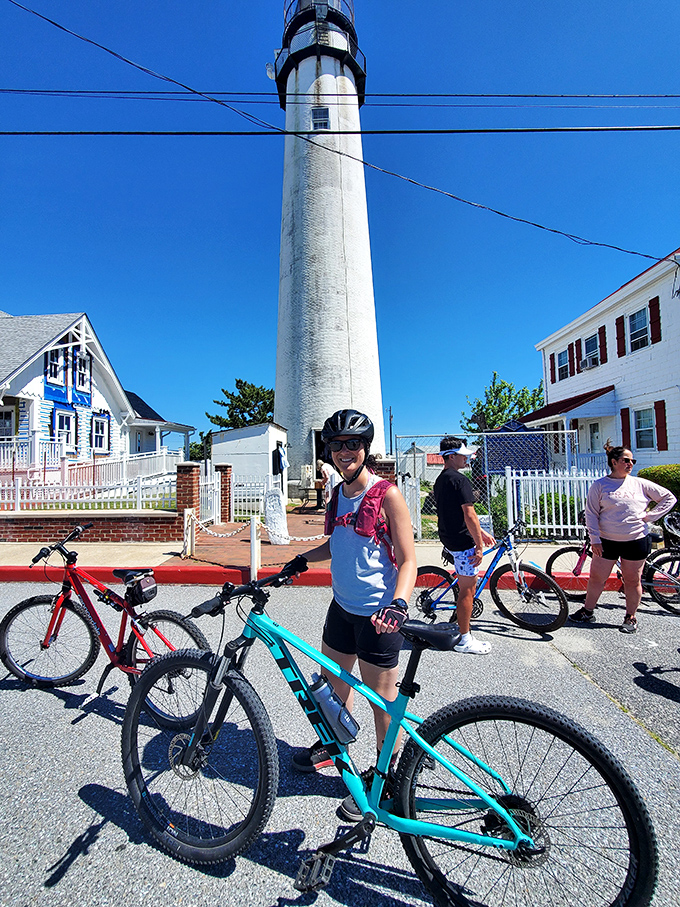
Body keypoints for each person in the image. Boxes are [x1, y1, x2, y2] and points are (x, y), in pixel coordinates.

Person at [285, 409, 418, 822]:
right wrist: (301, 560)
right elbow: (337, 543)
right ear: (328, 450)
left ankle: (388, 777)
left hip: (378, 615)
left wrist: (398, 604)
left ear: (366, 448)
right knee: (332, 687)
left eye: (353, 444)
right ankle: (334, 745)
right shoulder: (339, 493)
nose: (345, 452)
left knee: (382, 702)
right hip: (341, 607)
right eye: (337, 445)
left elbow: (409, 560)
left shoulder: (387, 495)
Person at [570, 441, 676, 633]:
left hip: (636, 540)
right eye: (626, 460)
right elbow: (591, 513)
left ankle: (630, 617)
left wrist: (651, 516)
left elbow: (669, 498)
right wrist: (595, 539)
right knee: (596, 578)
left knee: (632, 580)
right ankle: (587, 611)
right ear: (614, 462)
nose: (630, 464)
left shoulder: (640, 484)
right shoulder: (600, 485)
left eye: (632, 461)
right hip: (606, 542)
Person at [433, 436, 495, 655]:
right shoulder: (460, 480)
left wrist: (481, 533)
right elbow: (470, 514)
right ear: (451, 456)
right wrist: (478, 545)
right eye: (463, 455)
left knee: (465, 587)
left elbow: (455, 512)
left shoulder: (441, 479)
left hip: (449, 538)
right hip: (462, 543)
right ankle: (464, 639)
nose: (466, 459)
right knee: (468, 591)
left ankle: (463, 630)